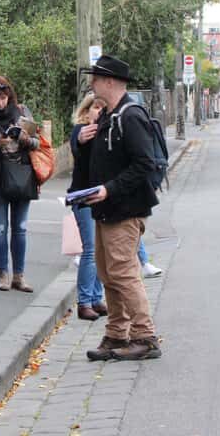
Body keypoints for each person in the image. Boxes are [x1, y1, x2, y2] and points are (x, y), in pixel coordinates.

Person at [80, 55, 162, 361]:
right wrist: (83, 140)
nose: (92, 83)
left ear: (111, 81)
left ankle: (145, 336)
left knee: (124, 273)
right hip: (106, 207)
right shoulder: (107, 116)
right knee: (107, 272)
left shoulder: (131, 116)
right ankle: (116, 334)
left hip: (125, 208)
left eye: (97, 78)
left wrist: (108, 189)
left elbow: (145, 163)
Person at [0, 77, 40, 293]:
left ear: (9, 96)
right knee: (0, 228)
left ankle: (19, 276)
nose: (0, 103)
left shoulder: (21, 112)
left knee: (20, 228)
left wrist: (24, 139)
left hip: (21, 174)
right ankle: (3, 274)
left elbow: (37, 143)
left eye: (3, 98)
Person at [69, 93, 108, 321]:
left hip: (102, 197)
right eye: (95, 107)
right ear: (86, 111)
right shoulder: (81, 131)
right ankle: (84, 302)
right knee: (90, 249)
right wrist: (83, 139)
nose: (99, 111)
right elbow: (77, 146)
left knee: (100, 250)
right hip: (84, 197)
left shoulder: (107, 133)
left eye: (103, 108)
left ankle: (95, 297)